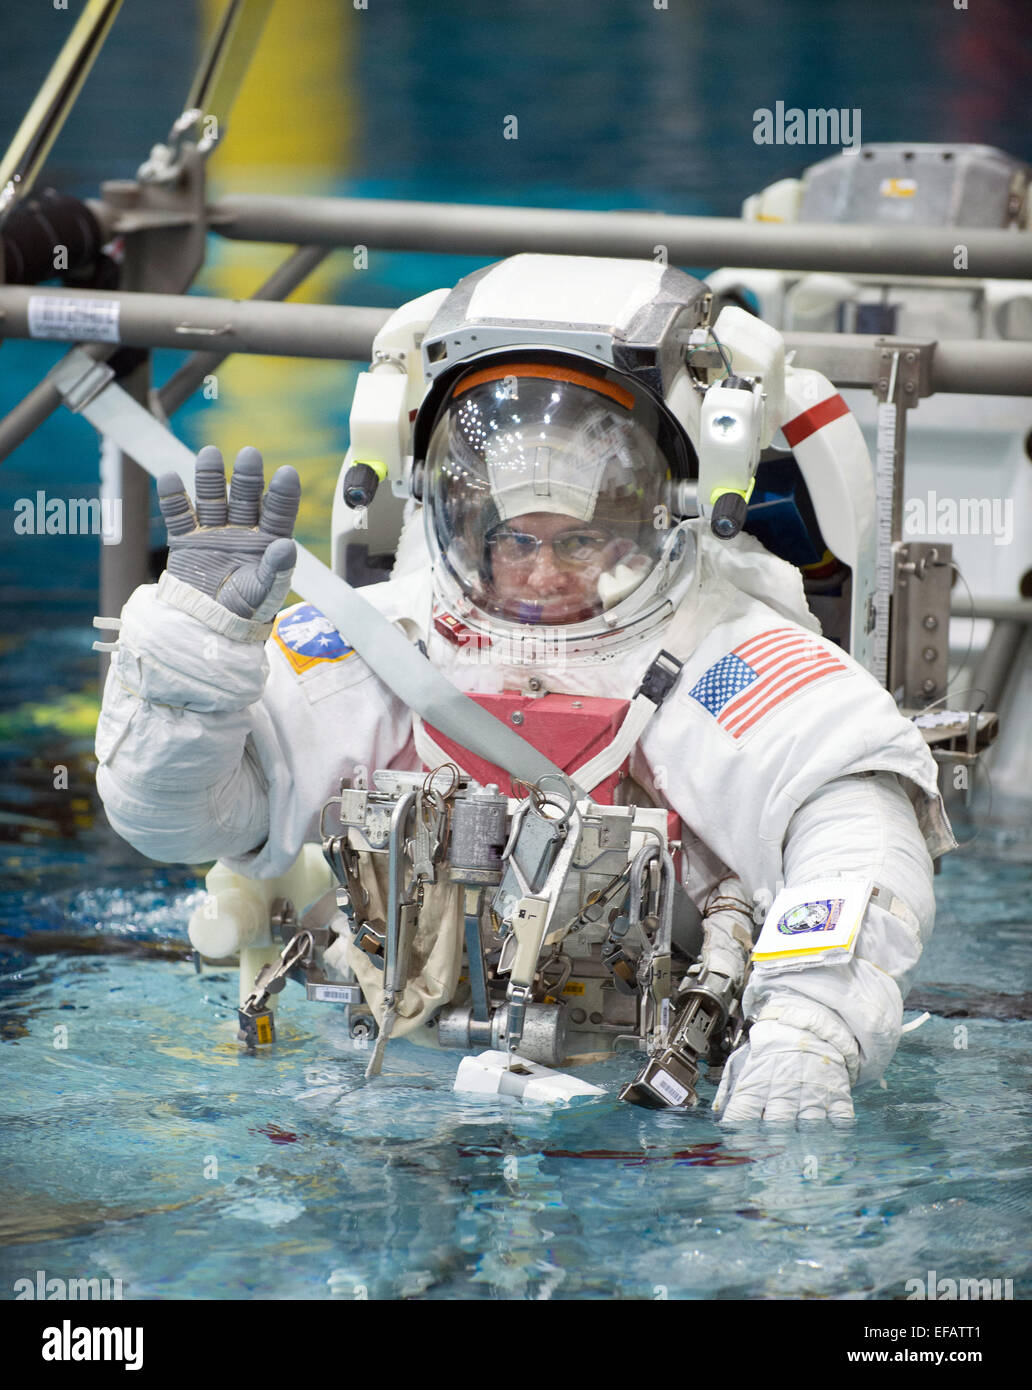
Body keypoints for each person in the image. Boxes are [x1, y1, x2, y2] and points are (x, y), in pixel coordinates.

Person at [95, 255, 954, 1124]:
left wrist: (805, 1031)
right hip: (386, 1089)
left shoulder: (727, 661)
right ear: (465, 525)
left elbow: (856, 839)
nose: (541, 575)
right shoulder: (382, 643)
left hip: (648, 1107)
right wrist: (190, 664)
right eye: (513, 540)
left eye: (577, 543)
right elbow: (179, 820)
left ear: (653, 521)